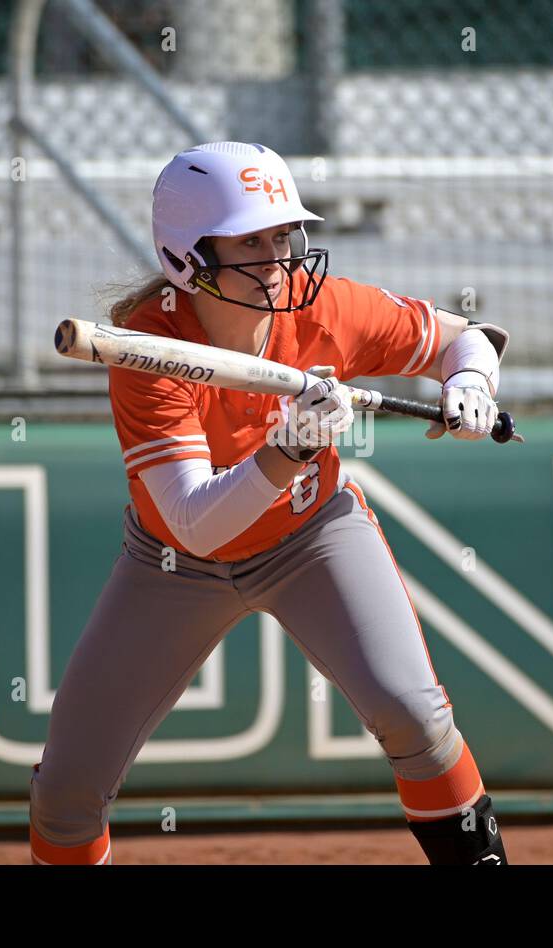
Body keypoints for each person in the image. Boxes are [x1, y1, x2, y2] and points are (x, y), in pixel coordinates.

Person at [29, 141, 512, 865]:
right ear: (189, 255)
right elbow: (195, 521)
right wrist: (285, 450)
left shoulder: (325, 309)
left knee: (415, 715)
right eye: (250, 241)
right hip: (173, 563)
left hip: (313, 536)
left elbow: (465, 338)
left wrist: (469, 386)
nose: (278, 258)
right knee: (67, 790)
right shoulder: (146, 350)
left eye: (283, 235)